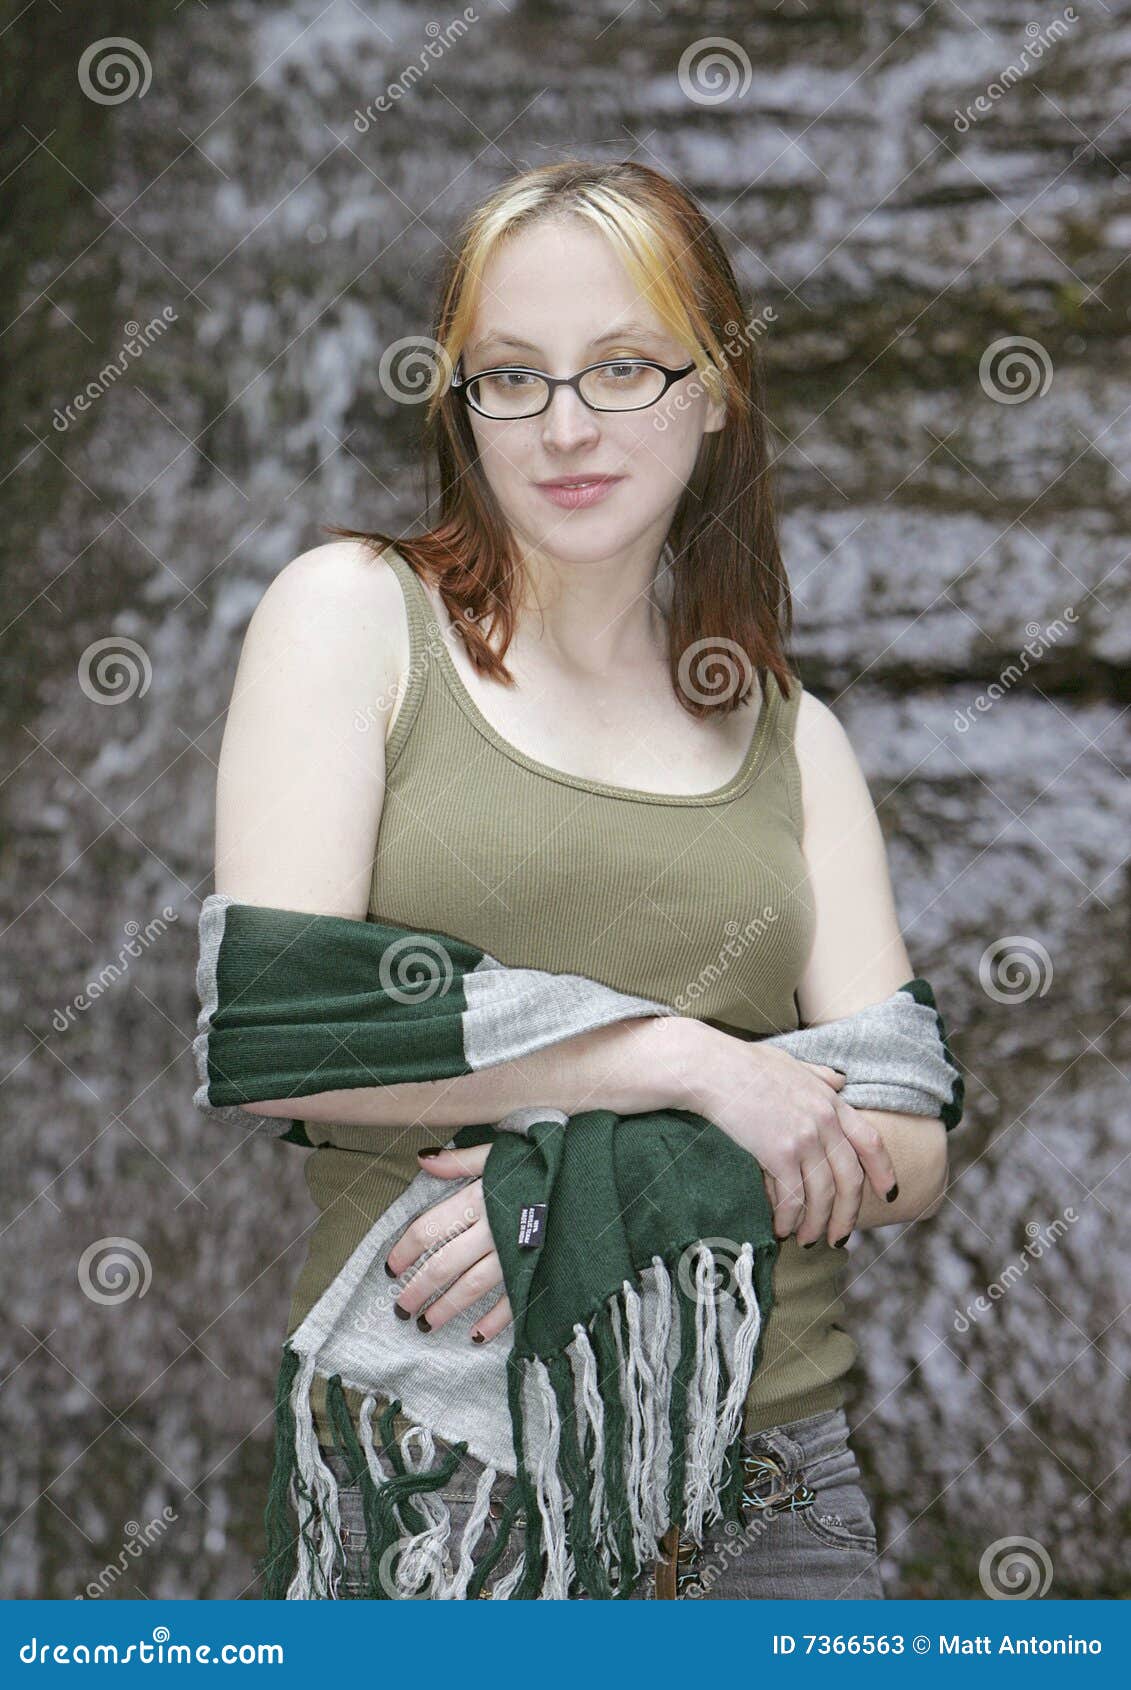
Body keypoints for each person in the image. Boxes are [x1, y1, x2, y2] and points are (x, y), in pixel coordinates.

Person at [212, 159, 948, 1600]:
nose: (564, 425)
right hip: (439, 1473)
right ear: (461, 402)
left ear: (716, 386)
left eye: (622, 367)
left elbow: (907, 1142)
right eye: (512, 376)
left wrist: (601, 1185)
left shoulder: (795, 742)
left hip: (769, 1483)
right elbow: (278, 1033)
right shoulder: (353, 619)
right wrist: (681, 1056)